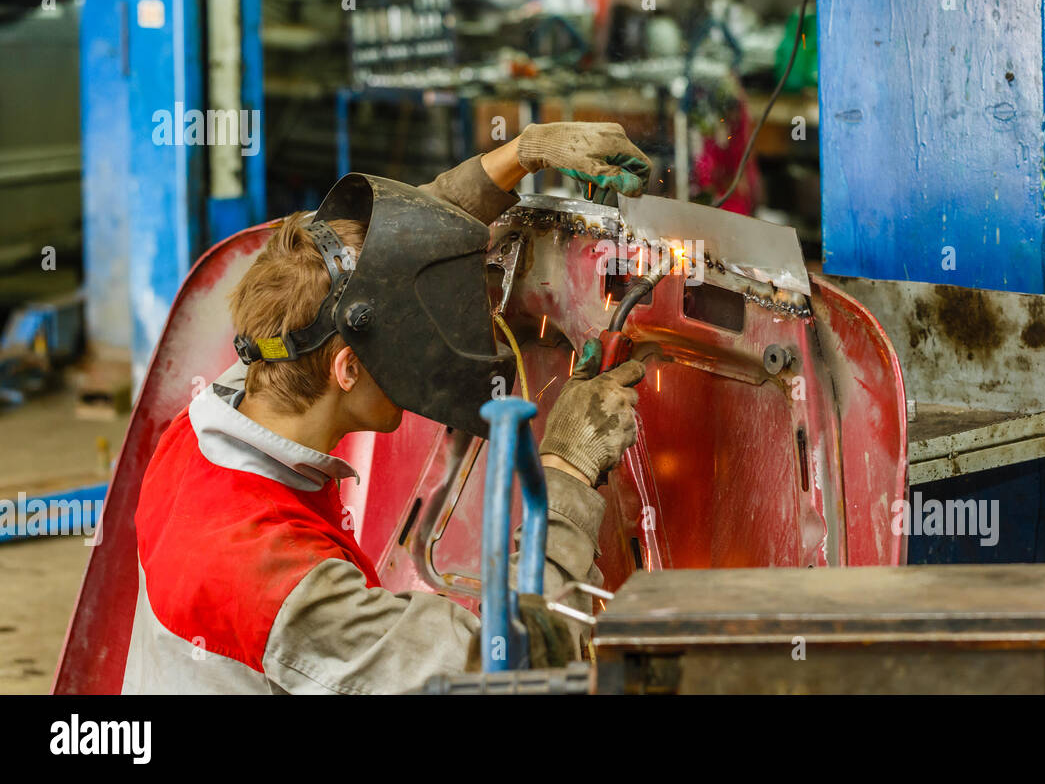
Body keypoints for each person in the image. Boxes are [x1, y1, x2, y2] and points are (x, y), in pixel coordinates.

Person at [122, 123, 652, 693]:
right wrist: (569, 468)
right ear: (347, 369)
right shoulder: (279, 585)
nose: (428, 338)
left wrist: (521, 154)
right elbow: (513, 672)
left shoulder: (210, 420)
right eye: (410, 331)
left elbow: (372, 259)